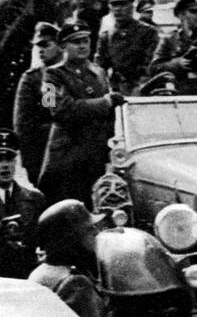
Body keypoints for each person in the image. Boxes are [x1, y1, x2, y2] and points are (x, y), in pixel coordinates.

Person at [38, 22, 125, 207]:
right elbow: (58, 110)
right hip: (67, 157)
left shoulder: (99, 72)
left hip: (96, 155)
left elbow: (110, 119)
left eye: (85, 40)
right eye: (76, 42)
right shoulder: (51, 75)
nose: (83, 46)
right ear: (63, 46)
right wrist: (105, 102)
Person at [13, 21, 61, 181]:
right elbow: (22, 123)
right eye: (38, 46)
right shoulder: (34, 78)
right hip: (42, 150)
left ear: (60, 45)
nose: (40, 50)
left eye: (46, 45)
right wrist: (29, 159)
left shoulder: (72, 72)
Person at [0, 129, 46, 278]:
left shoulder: (36, 199)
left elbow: (43, 246)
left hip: (28, 281)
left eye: (9, 159)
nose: (5, 165)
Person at [96, 0, 158, 95]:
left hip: (143, 87)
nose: (118, 9)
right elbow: (100, 66)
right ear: (109, 7)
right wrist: (104, 88)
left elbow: (152, 64)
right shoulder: (106, 36)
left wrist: (141, 86)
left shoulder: (147, 32)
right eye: (114, 4)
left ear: (131, 6)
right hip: (116, 88)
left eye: (123, 4)